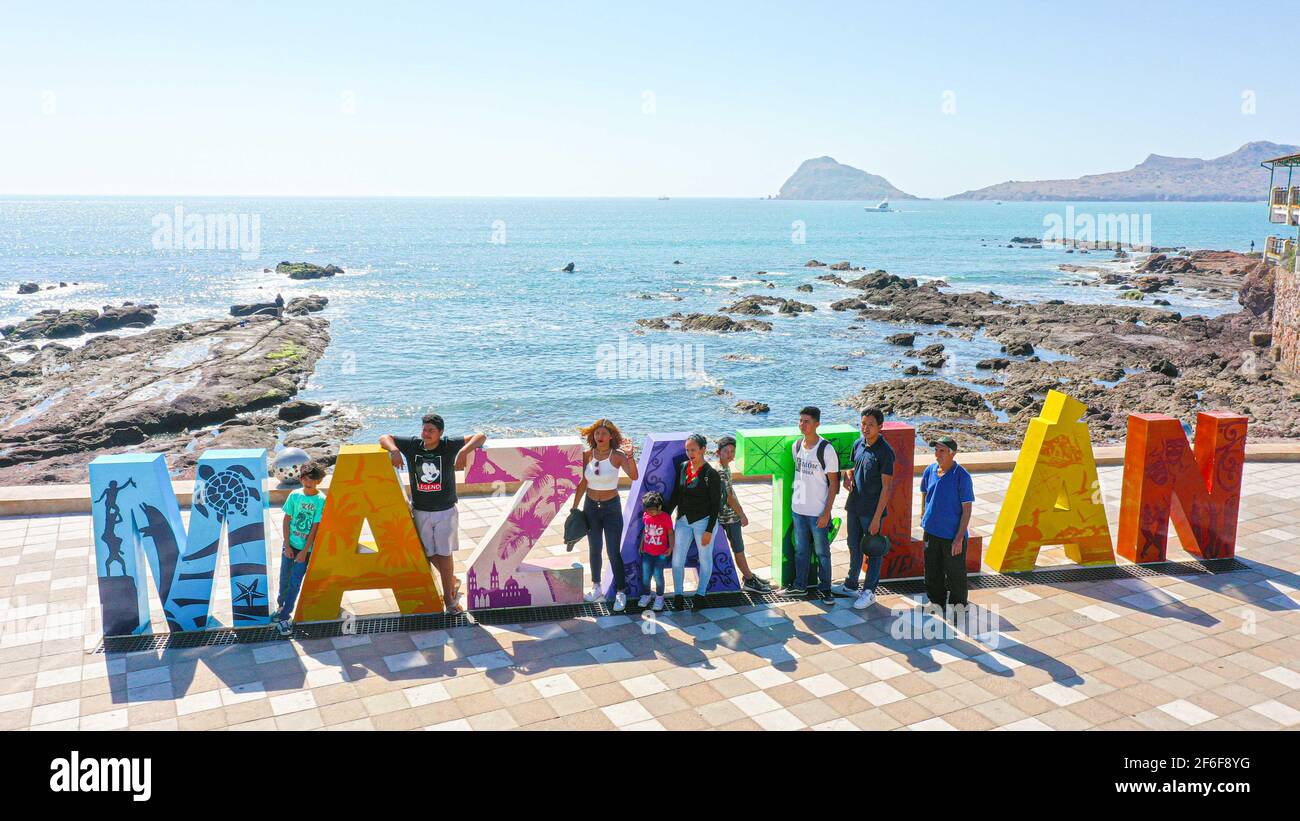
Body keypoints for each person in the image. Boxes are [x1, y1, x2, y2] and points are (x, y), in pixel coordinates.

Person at [380, 413, 486, 615]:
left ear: (440, 433)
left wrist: (463, 451)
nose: (426, 434)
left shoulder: (448, 445)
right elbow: (385, 437)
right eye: (424, 429)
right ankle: (452, 580)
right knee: (427, 553)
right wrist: (394, 450)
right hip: (420, 510)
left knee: (444, 554)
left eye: (431, 431)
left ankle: (449, 599)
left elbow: (481, 436)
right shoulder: (413, 445)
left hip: (445, 510)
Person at [570, 419, 639, 612]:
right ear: (593, 435)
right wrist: (575, 507)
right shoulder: (586, 455)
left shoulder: (617, 456)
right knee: (594, 548)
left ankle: (620, 592)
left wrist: (630, 455)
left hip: (611, 508)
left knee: (613, 551)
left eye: (604, 434)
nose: (600, 437)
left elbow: (634, 476)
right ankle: (596, 587)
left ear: (611, 436)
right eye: (597, 433)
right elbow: (583, 483)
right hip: (591, 506)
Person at [838, 407, 895, 610]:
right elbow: (853, 466)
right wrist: (848, 475)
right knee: (853, 546)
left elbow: (887, 488)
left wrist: (877, 518)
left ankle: (870, 591)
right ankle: (851, 584)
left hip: (872, 511)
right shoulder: (858, 444)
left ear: (880, 426)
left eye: (870, 425)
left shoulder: (885, 452)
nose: (865, 428)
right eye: (863, 424)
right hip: (854, 505)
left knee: (873, 550)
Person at [783, 406, 839, 604]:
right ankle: (800, 586)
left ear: (817, 424)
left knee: (823, 552)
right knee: (801, 550)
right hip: (798, 510)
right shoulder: (796, 446)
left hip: (818, 512)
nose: (802, 425)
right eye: (800, 421)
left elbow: (834, 483)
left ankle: (826, 590)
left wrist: (826, 513)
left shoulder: (826, 449)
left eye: (807, 421)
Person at [664, 433, 722, 609]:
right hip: (683, 520)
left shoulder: (711, 474)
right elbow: (676, 495)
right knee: (677, 559)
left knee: (705, 559)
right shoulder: (682, 467)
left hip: (703, 522)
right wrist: (663, 516)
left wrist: (709, 530)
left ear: (703, 450)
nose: (690, 453)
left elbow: (715, 506)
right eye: (687, 450)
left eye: (693, 449)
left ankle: (700, 594)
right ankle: (678, 595)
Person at [919, 436, 974, 613]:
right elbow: (925, 493)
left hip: (952, 536)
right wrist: (923, 516)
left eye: (942, 450)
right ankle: (936, 602)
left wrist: (959, 538)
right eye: (936, 450)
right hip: (931, 532)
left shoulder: (962, 477)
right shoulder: (930, 471)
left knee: (955, 574)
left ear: (953, 453)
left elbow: (967, 510)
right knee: (932, 570)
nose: (937, 454)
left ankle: (958, 607)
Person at [274, 461, 327, 636]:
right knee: (284, 578)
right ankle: (281, 607)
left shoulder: (321, 500)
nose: (309, 483)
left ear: (319, 481)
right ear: (301, 478)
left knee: (295, 582)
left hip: (306, 550)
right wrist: (287, 545)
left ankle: (285, 617)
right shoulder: (295, 495)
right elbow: (287, 520)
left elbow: (315, 527)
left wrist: (305, 551)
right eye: (306, 479)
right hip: (289, 546)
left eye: (313, 480)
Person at [715, 435, 770, 593]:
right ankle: (749, 580)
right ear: (718, 452)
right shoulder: (721, 472)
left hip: (727, 516)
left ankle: (749, 576)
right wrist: (742, 514)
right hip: (729, 517)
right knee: (738, 548)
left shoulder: (724, 467)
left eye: (733, 451)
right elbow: (729, 498)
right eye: (727, 451)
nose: (730, 455)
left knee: (738, 548)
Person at [636, 491, 673, 612]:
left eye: (652, 510)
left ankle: (659, 597)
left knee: (658, 576)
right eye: (647, 510)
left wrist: (671, 547)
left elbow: (670, 533)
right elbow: (645, 531)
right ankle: (646, 595)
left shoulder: (666, 518)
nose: (649, 513)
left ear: (660, 507)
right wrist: (642, 543)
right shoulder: (646, 516)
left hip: (661, 554)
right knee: (646, 576)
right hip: (647, 552)